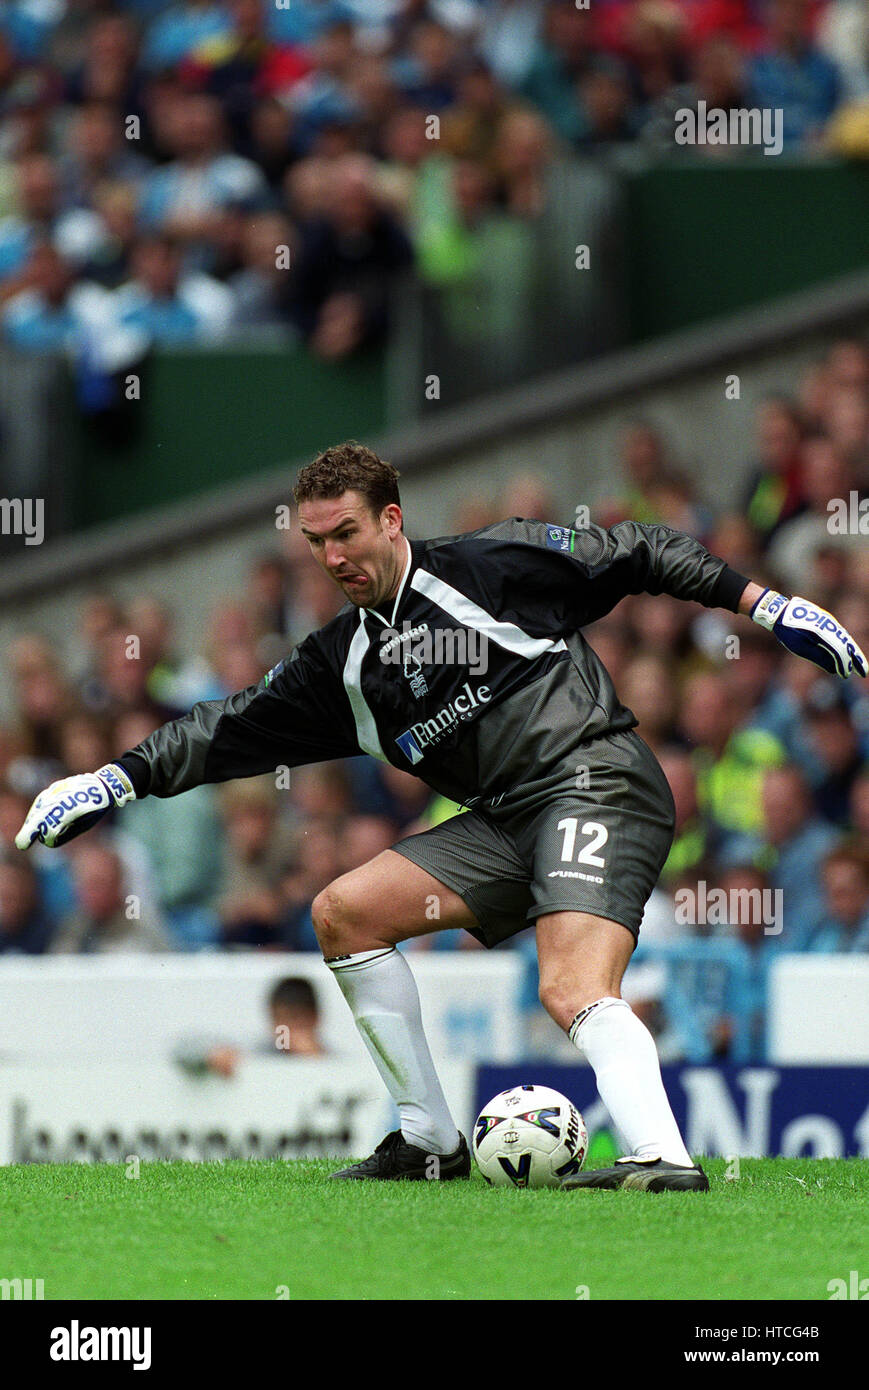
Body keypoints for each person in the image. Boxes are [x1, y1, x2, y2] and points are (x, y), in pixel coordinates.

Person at [16, 442, 867, 1192]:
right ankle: (428, 1139)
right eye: (316, 543)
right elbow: (223, 727)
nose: (333, 557)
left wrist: (767, 605)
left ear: (390, 519)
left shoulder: (489, 564)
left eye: (345, 533)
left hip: (592, 777)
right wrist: (113, 780)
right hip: (501, 822)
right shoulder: (341, 665)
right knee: (342, 912)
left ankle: (659, 1156)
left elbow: (638, 549)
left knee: (569, 984)